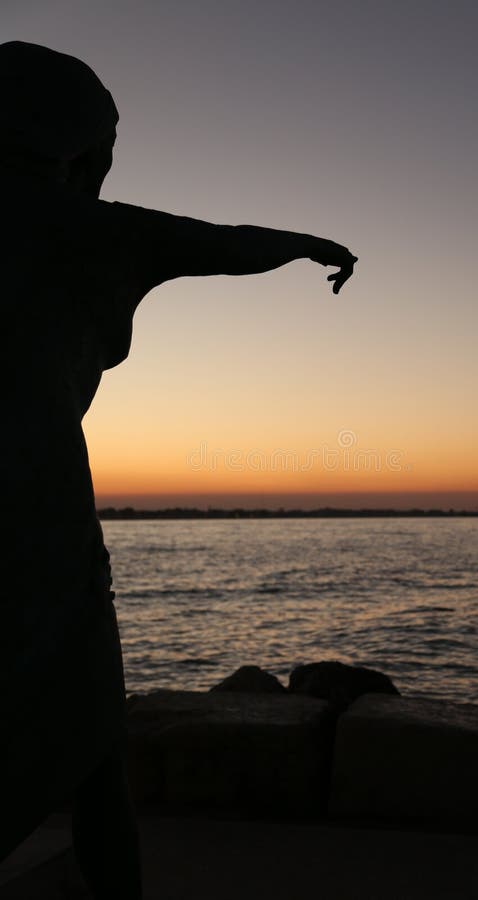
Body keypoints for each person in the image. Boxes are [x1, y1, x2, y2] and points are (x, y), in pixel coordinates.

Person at [0, 40, 357, 898]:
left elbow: (226, 243)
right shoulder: (92, 229)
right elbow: (227, 244)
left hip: (37, 508)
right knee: (87, 732)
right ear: (78, 147)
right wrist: (315, 244)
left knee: (79, 736)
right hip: (38, 512)